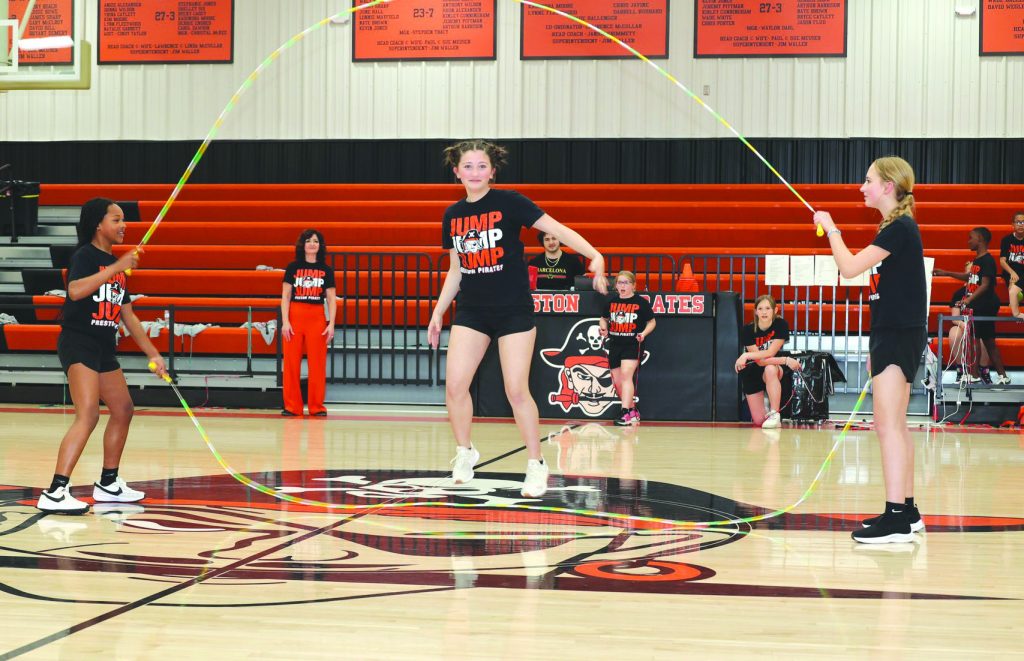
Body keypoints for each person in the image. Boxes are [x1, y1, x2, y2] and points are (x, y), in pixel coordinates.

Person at [427, 139, 607, 498]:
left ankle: (536, 463)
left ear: (492, 171)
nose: (475, 172)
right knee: (455, 386)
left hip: (513, 309)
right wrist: (438, 310)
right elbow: (457, 269)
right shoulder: (453, 215)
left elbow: (559, 229)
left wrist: (595, 255)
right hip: (472, 310)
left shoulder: (510, 202)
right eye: (468, 166)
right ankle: (465, 451)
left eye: (482, 166)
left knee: (516, 390)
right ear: (456, 172)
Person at [814, 156, 927, 544]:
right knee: (896, 425)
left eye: (868, 181)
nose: (862, 187)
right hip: (894, 334)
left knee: (887, 426)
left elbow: (849, 268)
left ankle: (896, 519)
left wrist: (831, 228)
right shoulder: (898, 227)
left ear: (887, 186)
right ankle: (907, 511)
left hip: (897, 335)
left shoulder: (899, 228)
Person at [37, 198, 167, 514]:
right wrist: (116, 267)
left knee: (123, 408)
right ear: (98, 224)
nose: (124, 225)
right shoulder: (85, 256)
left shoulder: (115, 266)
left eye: (124, 220)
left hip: (104, 346)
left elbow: (128, 316)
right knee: (89, 414)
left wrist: (154, 354)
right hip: (79, 342)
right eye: (116, 219)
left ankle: (108, 483)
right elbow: (75, 291)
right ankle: (55, 491)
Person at [934, 227, 1010, 385]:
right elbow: (970, 277)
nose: (968, 241)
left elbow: (985, 285)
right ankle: (1003, 376)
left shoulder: (987, 260)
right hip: (983, 304)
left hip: (985, 305)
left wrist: (968, 300)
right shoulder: (978, 260)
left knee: (974, 340)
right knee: (989, 342)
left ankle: (974, 374)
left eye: (971, 238)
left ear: (980, 239)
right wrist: (947, 273)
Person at [281, 229, 337, 416]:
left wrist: (331, 324)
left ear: (320, 246)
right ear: (302, 245)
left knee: (317, 364)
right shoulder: (293, 267)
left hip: (317, 317)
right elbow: (285, 296)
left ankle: (316, 407)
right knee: (291, 363)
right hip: (295, 316)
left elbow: (331, 299)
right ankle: (292, 406)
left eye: (316, 241)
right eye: (308, 241)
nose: (312, 244)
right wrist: (285, 322)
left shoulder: (326, 270)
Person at [735, 295, 800, 429]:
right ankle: (766, 402)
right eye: (760, 309)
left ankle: (775, 414)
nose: (764, 312)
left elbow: (770, 353)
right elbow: (760, 361)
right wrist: (786, 360)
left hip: (773, 366)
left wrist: (746, 355)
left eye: (768, 308)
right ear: (755, 312)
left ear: (775, 310)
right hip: (753, 371)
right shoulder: (747, 330)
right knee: (759, 422)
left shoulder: (781, 325)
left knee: (770, 368)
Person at [599, 271, 655, 425]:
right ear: (616, 285)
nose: (622, 286)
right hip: (615, 344)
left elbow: (652, 322)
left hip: (632, 344)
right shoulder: (611, 302)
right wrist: (603, 328)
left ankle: (624, 413)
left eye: (626, 283)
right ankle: (632, 410)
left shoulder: (641, 303)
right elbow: (603, 319)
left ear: (633, 285)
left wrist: (643, 333)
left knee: (626, 375)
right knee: (618, 382)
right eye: (619, 282)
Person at [998, 211, 1024, 320]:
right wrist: (1012, 273)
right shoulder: (1006, 240)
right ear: (1013, 224)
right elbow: (1002, 261)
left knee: (1014, 288)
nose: (1021, 225)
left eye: (1023, 222)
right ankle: (1016, 311)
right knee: (1013, 288)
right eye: (1018, 222)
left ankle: (1018, 297)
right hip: (1010, 270)